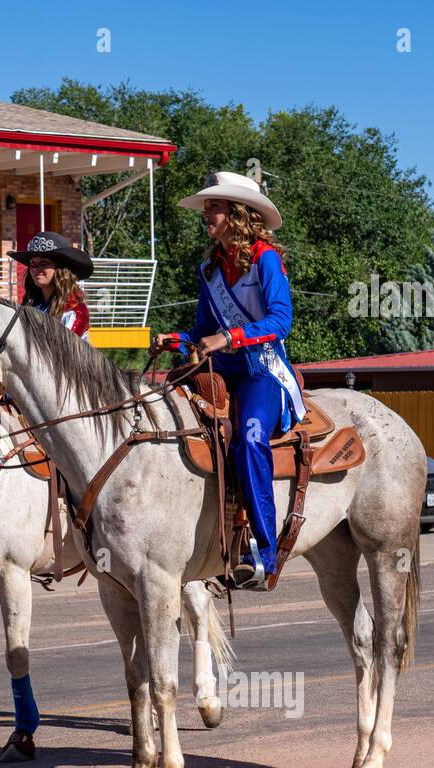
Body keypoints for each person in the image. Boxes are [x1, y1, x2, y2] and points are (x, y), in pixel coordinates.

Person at [154, 171, 307, 590]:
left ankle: (264, 550)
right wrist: (179, 338)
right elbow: (203, 327)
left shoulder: (265, 259)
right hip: (222, 367)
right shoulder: (210, 269)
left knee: (249, 438)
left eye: (214, 206)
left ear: (237, 213)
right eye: (207, 207)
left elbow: (281, 320)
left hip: (261, 369)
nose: (207, 213)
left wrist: (231, 336)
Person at [8, 230, 93, 339]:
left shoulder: (75, 311)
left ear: (60, 269)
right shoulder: (32, 304)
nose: (35, 269)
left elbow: (64, 354)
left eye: (43, 263)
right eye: (32, 263)